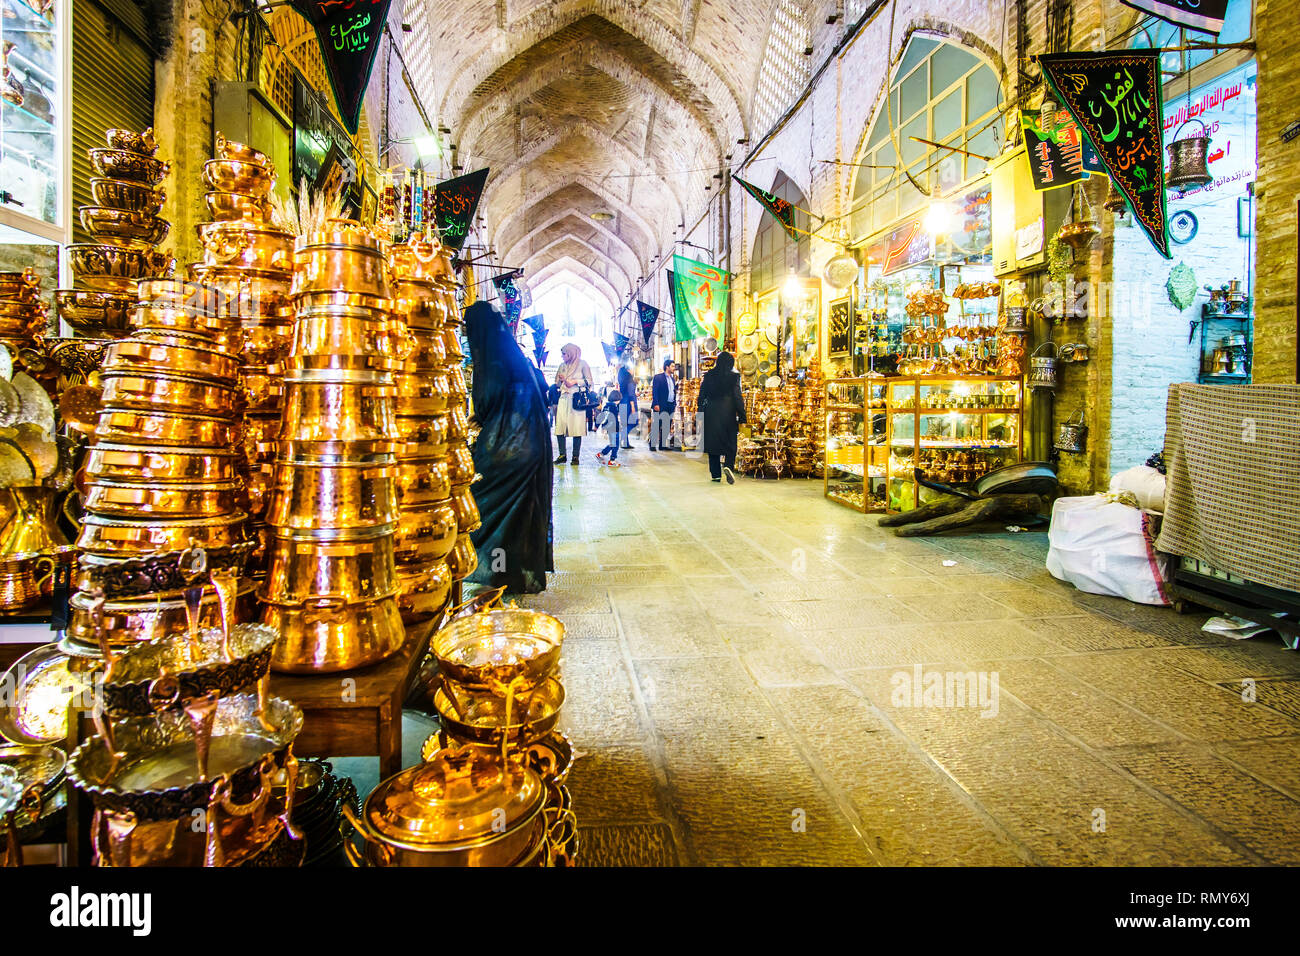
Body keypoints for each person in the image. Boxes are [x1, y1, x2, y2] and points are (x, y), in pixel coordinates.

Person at [463, 301, 553, 593]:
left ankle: (495, 572)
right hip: (529, 449)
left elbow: (487, 403)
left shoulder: (491, 362)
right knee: (518, 515)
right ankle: (509, 572)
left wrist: (476, 420)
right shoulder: (514, 360)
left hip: (505, 450)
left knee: (482, 508)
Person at [699, 350, 745, 484]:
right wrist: (742, 416)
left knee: (713, 444)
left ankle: (715, 474)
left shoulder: (709, 375)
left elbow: (702, 395)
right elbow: (737, 397)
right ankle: (728, 466)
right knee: (730, 442)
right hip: (727, 412)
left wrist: (700, 412)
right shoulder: (734, 377)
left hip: (711, 413)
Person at [553, 343, 593, 465]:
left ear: (571, 353)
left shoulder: (583, 364)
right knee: (560, 427)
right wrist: (560, 381)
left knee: (577, 428)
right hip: (563, 399)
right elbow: (557, 384)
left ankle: (575, 456)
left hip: (576, 400)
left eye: (564, 354)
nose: (562, 356)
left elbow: (590, 381)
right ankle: (562, 454)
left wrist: (575, 381)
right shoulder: (562, 366)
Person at [649, 358, 677, 451]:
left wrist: (674, 404)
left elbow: (673, 391)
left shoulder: (673, 379)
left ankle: (662, 445)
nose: (674, 368)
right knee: (657, 424)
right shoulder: (658, 377)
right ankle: (652, 444)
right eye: (672, 366)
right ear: (667, 367)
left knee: (666, 425)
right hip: (660, 405)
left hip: (670, 405)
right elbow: (655, 391)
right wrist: (656, 403)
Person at [595, 389, 622, 467]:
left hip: (609, 428)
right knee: (615, 445)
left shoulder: (606, 406)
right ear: (617, 399)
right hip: (614, 428)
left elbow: (601, 417)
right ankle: (612, 460)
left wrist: (599, 426)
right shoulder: (614, 407)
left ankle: (601, 454)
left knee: (612, 444)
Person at [616, 361, 637, 449]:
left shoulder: (622, 379)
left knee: (625, 423)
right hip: (629, 402)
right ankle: (622, 436)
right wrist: (632, 406)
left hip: (623, 402)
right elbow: (631, 393)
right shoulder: (629, 378)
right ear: (629, 370)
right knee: (634, 422)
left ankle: (625, 443)